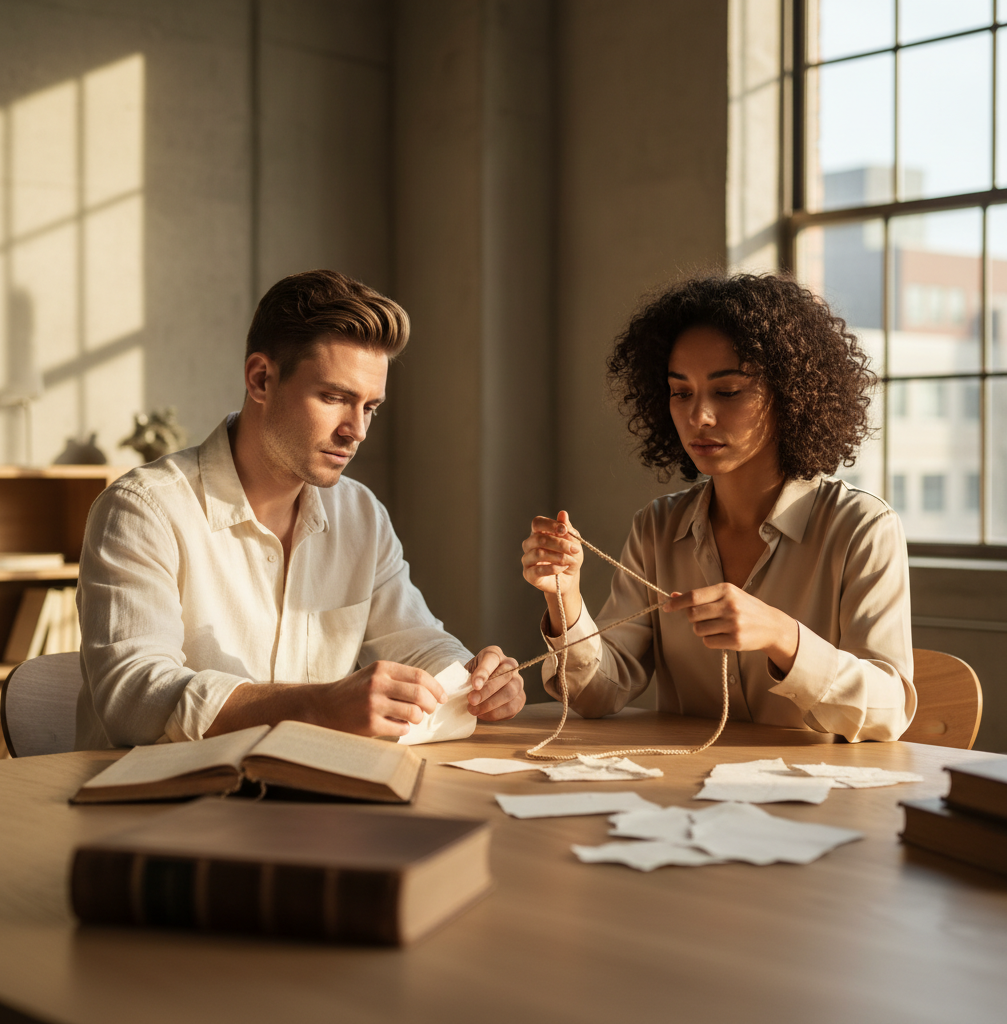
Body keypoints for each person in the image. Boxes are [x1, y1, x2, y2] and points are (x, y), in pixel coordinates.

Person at [76, 270, 525, 749]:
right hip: (159, 794)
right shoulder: (142, 511)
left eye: (370, 407)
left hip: (315, 790)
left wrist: (474, 678)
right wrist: (317, 706)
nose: (357, 431)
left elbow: (416, 642)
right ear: (261, 379)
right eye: (334, 398)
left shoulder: (361, 515)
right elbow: (134, 699)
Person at [521, 273, 915, 743]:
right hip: (685, 783)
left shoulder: (862, 528)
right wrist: (563, 596)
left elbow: (888, 712)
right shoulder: (657, 527)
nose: (698, 416)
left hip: (813, 787)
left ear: (790, 394)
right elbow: (595, 694)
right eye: (680, 392)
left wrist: (782, 636)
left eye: (727, 392)